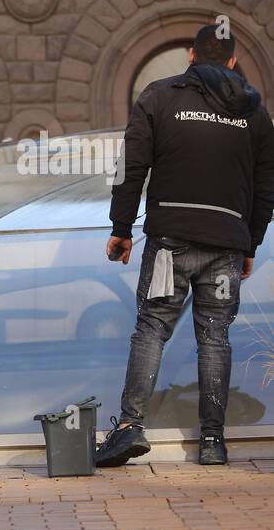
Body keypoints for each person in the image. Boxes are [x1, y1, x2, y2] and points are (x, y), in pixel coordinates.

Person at [97, 24, 274, 468]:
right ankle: (213, 442)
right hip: (227, 244)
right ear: (233, 62)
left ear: (190, 55)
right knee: (215, 338)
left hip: (170, 242)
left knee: (153, 327)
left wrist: (121, 227)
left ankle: (129, 427)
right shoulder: (255, 114)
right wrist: (250, 243)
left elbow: (130, 166)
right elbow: (266, 187)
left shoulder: (159, 96)